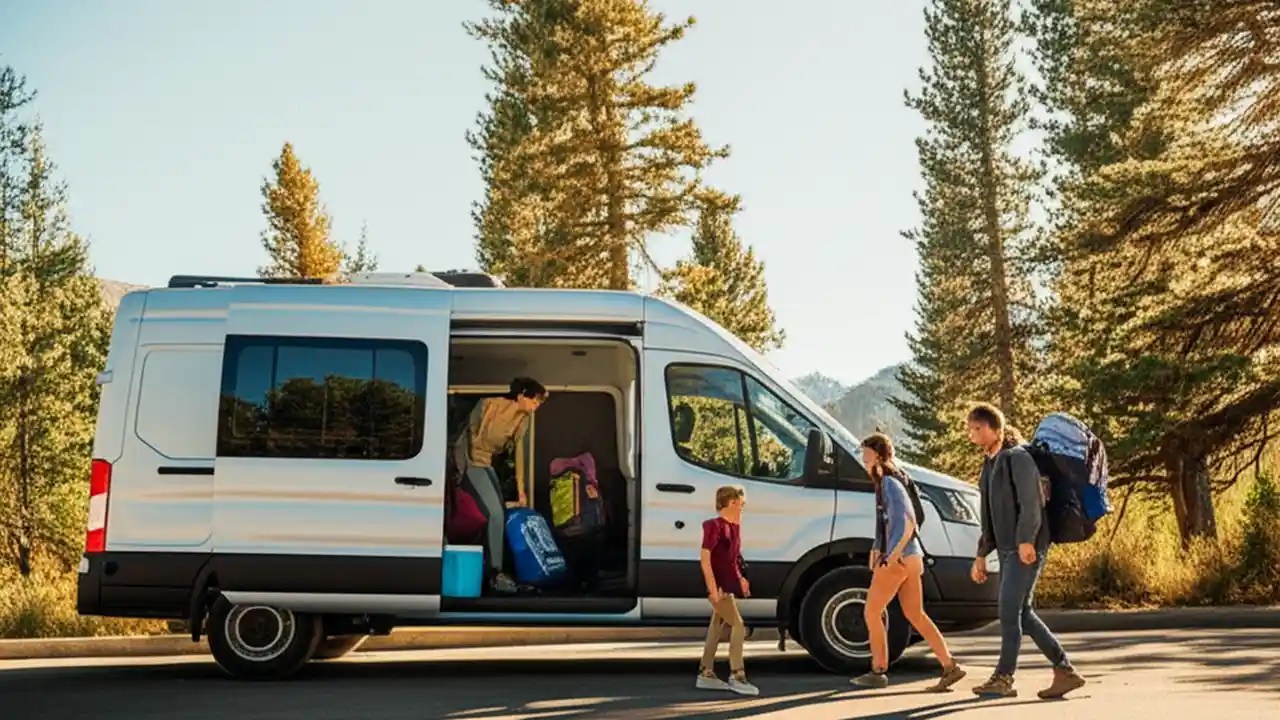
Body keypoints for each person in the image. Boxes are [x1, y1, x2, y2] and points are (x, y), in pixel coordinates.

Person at [967, 403, 1086, 699]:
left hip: (1027, 546)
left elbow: (1032, 503)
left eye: (978, 428)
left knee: (1009, 611)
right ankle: (1065, 670)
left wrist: (1026, 541)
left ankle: (1004, 678)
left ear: (996, 428)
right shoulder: (990, 464)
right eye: (970, 429)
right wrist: (981, 554)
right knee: (1022, 613)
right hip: (1008, 549)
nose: (973, 434)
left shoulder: (1017, 458)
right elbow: (989, 514)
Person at [852, 433, 966, 691]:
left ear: (879, 455)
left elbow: (908, 521)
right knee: (915, 613)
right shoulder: (888, 481)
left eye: (866, 454)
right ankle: (950, 666)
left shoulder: (890, 483)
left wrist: (890, 555)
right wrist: (876, 548)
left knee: (871, 611)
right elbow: (886, 523)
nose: (863, 459)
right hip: (912, 558)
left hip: (900, 558)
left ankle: (878, 670)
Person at [453, 377, 548, 594]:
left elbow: (520, 455)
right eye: (535, 401)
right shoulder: (487, 404)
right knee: (495, 514)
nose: (536, 407)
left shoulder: (523, 420)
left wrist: (521, 489)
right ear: (522, 395)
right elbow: (467, 437)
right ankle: (495, 573)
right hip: (468, 462)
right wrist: (462, 471)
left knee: (500, 514)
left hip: (486, 463)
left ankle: (495, 569)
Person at [695, 485, 759, 697]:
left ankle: (706, 672)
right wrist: (713, 590)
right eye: (741, 505)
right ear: (731, 503)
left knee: (717, 626)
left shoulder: (734, 528)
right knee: (738, 626)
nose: (742, 509)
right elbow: (706, 561)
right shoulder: (713, 527)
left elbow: (733, 560)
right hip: (718, 589)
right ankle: (737, 674)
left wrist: (741, 580)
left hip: (726, 587)